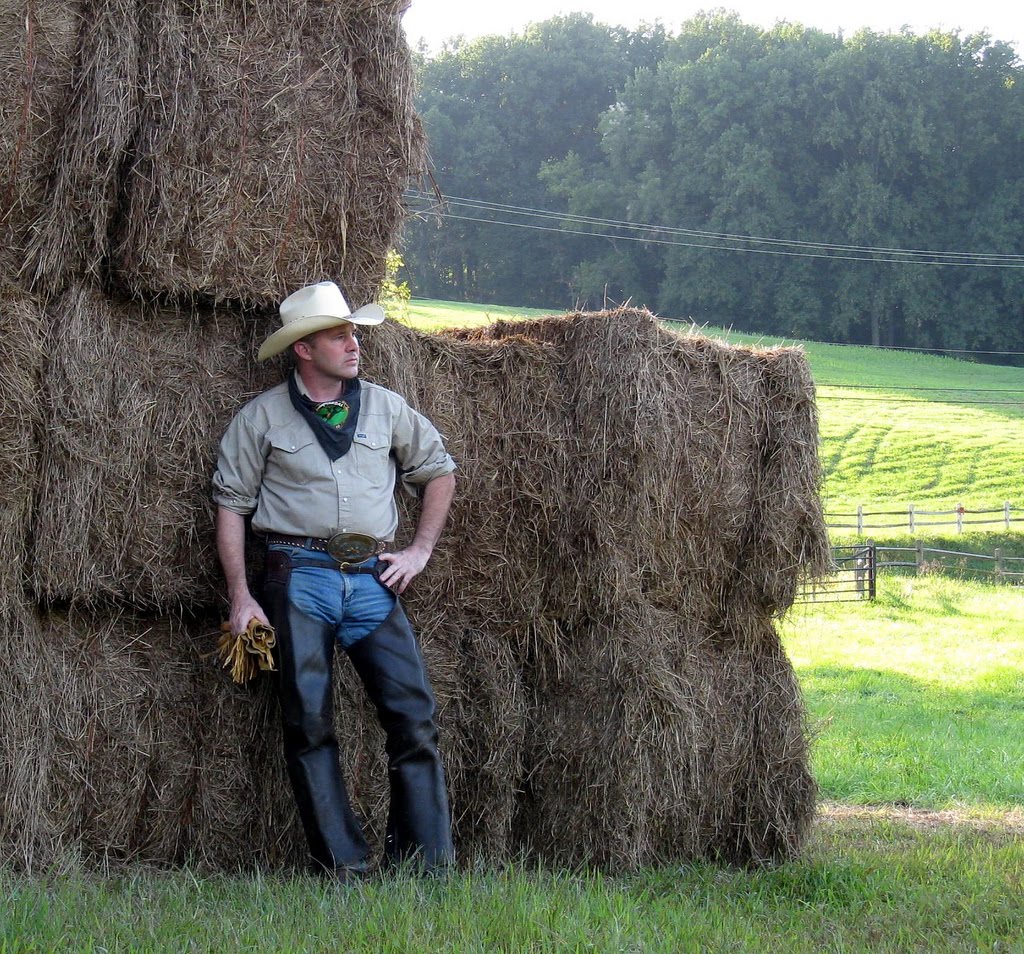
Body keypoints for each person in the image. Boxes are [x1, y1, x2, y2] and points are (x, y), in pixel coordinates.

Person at [212, 280, 457, 880]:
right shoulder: (261, 419)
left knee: (413, 716)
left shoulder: (386, 407)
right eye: (338, 334)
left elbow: (440, 471)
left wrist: (420, 551)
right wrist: (242, 598)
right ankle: (342, 867)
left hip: (373, 581)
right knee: (310, 723)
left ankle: (425, 867)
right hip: (298, 577)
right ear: (303, 348)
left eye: (353, 332)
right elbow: (231, 507)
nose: (353, 344)